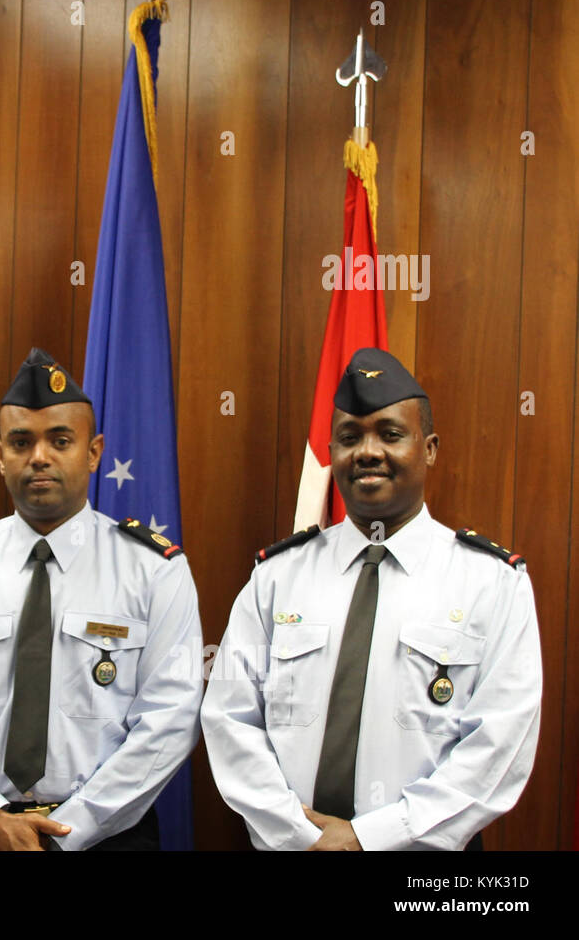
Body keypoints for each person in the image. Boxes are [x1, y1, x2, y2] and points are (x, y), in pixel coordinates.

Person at [201, 347, 542, 851]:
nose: (366, 451)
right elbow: (230, 720)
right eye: (349, 437)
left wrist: (368, 838)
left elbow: (498, 747)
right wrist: (301, 835)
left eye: (390, 434)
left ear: (428, 449)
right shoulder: (275, 578)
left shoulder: (492, 584)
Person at [0, 348, 204, 851]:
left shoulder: (153, 571)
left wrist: (70, 830)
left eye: (60, 440)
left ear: (93, 452)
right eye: (21, 442)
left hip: (105, 839)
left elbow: (169, 721)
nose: (39, 457)